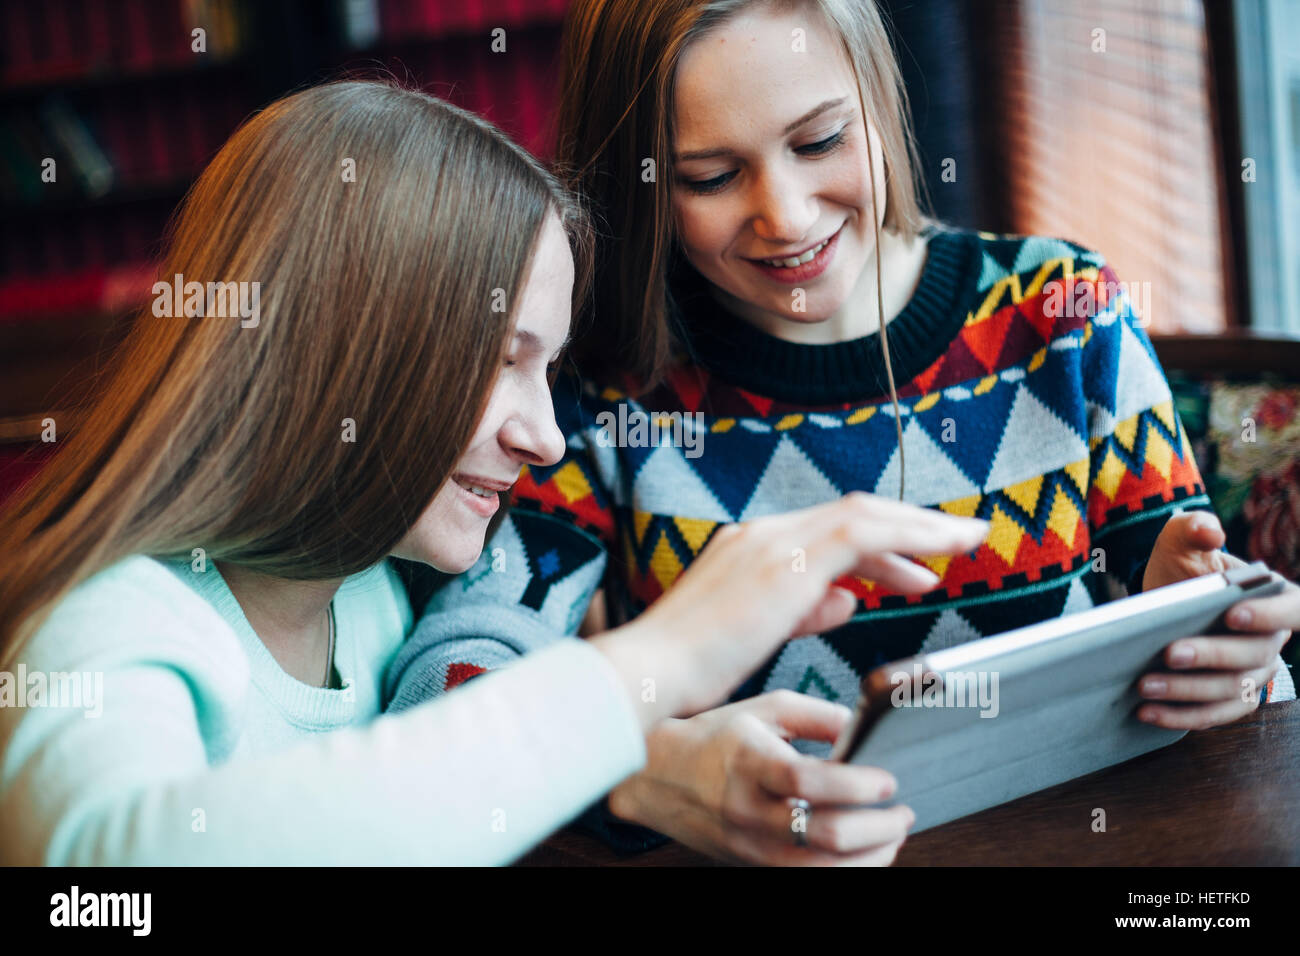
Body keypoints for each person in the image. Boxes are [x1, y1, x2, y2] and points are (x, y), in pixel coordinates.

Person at [385, 0, 1298, 864]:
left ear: (879, 97)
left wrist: (1235, 650)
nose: (785, 217)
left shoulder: (1061, 313)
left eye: (820, 140)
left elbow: (1228, 665)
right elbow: (441, 687)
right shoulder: (594, 397)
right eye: (709, 176)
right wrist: (637, 769)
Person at [0, 79, 991, 865]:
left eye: (548, 370)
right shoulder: (113, 625)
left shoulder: (382, 593)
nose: (547, 437)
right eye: (502, 359)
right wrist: (665, 659)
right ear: (333, 349)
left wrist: (652, 762)